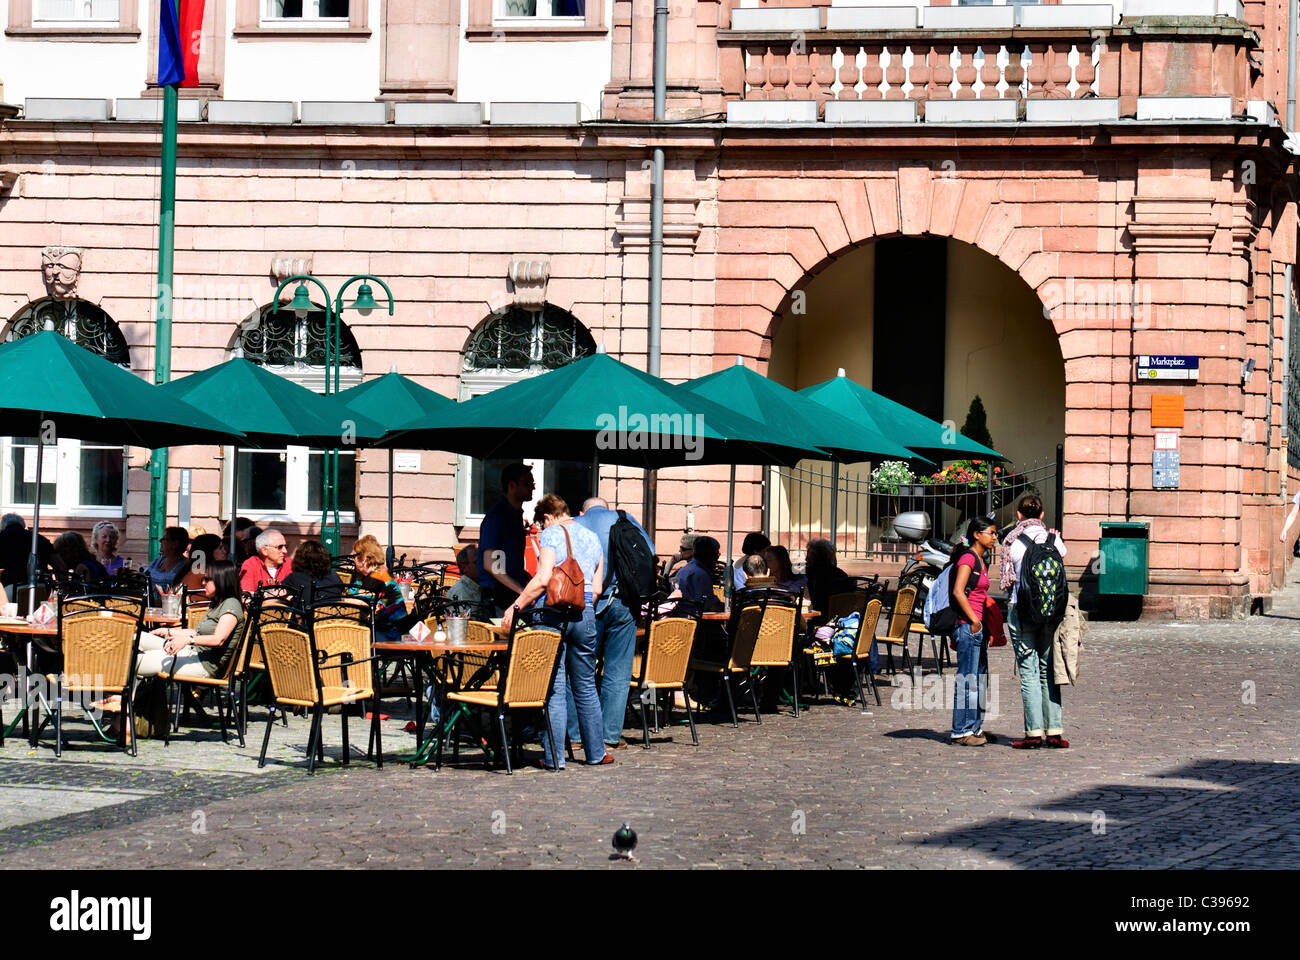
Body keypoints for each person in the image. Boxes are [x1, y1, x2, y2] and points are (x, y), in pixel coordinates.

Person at [502, 493, 610, 769]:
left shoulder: (551, 535)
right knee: (586, 685)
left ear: (548, 517)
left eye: (540, 524)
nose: (540, 529)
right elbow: (597, 589)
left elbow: (542, 579)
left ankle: (555, 759)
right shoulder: (593, 538)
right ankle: (596, 753)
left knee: (555, 688)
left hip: (553, 614)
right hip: (585, 614)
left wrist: (515, 607)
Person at [571, 496, 654, 752]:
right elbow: (649, 551)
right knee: (618, 671)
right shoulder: (624, 518)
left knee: (580, 670)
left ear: (583, 511)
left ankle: (575, 736)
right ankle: (609, 734)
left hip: (587, 603)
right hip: (624, 603)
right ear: (606, 508)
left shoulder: (576, 523)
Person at [1000, 494, 1070, 749]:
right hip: (1051, 612)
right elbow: (1063, 559)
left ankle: (1032, 733)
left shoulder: (1013, 541)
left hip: (1023, 610)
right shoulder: (1055, 539)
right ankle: (1054, 731)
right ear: (1041, 515)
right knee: (1048, 669)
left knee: (1028, 673)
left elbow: (1006, 581)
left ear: (1019, 515)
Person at [136, 560, 245, 680]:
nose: (202, 583)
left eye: (207, 579)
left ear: (221, 580)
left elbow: (218, 639)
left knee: (138, 659)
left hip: (204, 665)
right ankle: (132, 697)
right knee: (137, 638)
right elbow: (197, 633)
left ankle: (120, 697)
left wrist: (187, 640)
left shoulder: (231, 604)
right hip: (193, 652)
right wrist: (166, 631)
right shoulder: (216, 603)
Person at [949, 516, 998, 746]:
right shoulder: (968, 557)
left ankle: (975, 727)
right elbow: (959, 591)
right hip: (968, 626)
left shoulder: (980, 559)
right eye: (991, 532)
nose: (994, 537)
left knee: (979, 680)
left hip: (977, 628)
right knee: (967, 681)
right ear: (977, 534)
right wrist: (973, 621)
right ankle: (961, 731)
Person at [478, 463, 534, 614]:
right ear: (511, 485)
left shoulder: (515, 515)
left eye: (532, 483)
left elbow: (506, 559)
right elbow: (491, 564)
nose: (533, 488)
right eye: (528, 484)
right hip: (498, 598)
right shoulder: (496, 517)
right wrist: (522, 591)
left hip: (511, 594)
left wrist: (524, 576)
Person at [347, 534, 406, 640]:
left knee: (351, 638)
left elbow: (361, 601)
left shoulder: (378, 575)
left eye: (355, 556)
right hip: (389, 628)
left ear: (364, 558)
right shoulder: (375, 573)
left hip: (392, 633)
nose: (353, 559)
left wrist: (339, 599)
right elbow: (351, 593)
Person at [669, 535, 724, 618]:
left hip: (680, 618)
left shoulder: (687, 570)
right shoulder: (700, 574)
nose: (717, 557)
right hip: (693, 621)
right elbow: (711, 606)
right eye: (716, 553)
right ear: (709, 554)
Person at [0, 514, 55, 592]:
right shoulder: (38, 539)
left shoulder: (1, 538)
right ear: (22, 525)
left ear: (2, 526)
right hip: (40, 587)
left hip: (8, 588)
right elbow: (59, 565)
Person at [281, 539, 342, 605]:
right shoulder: (334, 576)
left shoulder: (294, 577)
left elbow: (278, 594)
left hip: (306, 614)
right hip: (333, 613)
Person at [238, 528, 293, 593]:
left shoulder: (289, 563)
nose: (285, 551)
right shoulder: (250, 565)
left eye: (285, 546)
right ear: (264, 550)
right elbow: (247, 596)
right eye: (280, 547)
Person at [146, 526, 190, 596]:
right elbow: (144, 576)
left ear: (175, 544)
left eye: (164, 539)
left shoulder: (185, 565)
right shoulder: (159, 560)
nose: (160, 540)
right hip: (149, 604)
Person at [445, 544, 482, 609]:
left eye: (483, 560)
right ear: (464, 568)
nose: (482, 564)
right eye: (477, 562)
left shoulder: (477, 586)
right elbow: (464, 618)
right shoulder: (461, 592)